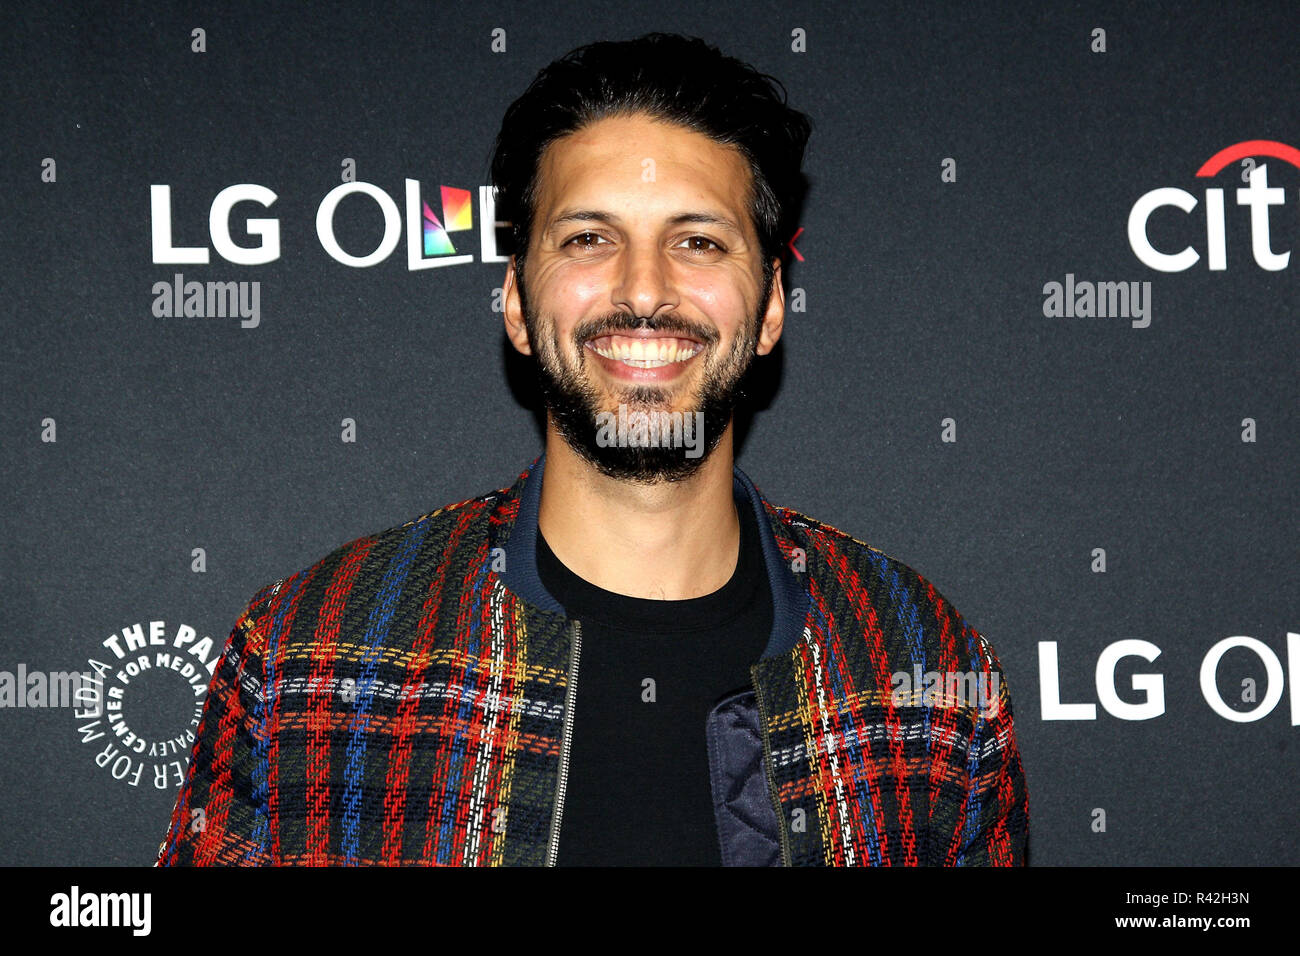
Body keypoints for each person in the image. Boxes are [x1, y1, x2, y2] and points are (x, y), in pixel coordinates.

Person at [156, 32, 1028, 867]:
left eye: (698, 241)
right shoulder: (307, 657)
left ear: (769, 308)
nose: (643, 288)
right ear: (513, 301)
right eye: (588, 238)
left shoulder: (925, 670)